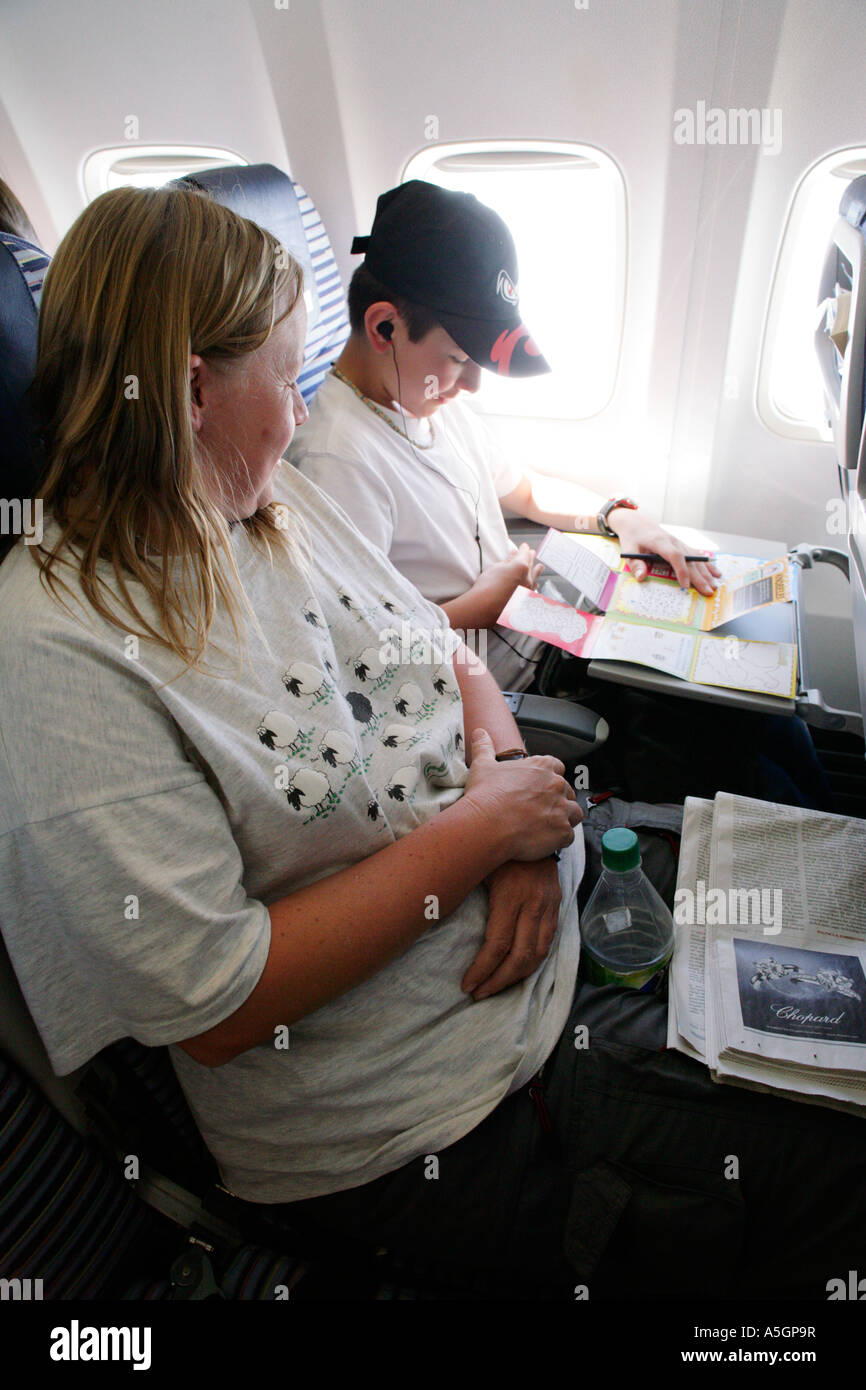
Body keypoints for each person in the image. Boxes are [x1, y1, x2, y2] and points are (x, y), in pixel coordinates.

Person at [1, 185, 862, 1304]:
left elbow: (444, 657)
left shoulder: (263, 508)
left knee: (833, 897)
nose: (303, 415)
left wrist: (506, 807)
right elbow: (217, 1003)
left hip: (527, 883)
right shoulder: (58, 644)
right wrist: (478, 837)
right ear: (190, 391)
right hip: (427, 1103)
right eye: (280, 374)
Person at [290, 180, 721, 695]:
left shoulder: (424, 397)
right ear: (385, 328)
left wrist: (623, 518)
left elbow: (526, 491)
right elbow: (362, 654)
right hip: (498, 692)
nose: (472, 385)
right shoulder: (336, 463)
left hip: (549, 634)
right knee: (716, 724)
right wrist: (485, 604)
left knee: (726, 682)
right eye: (459, 360)